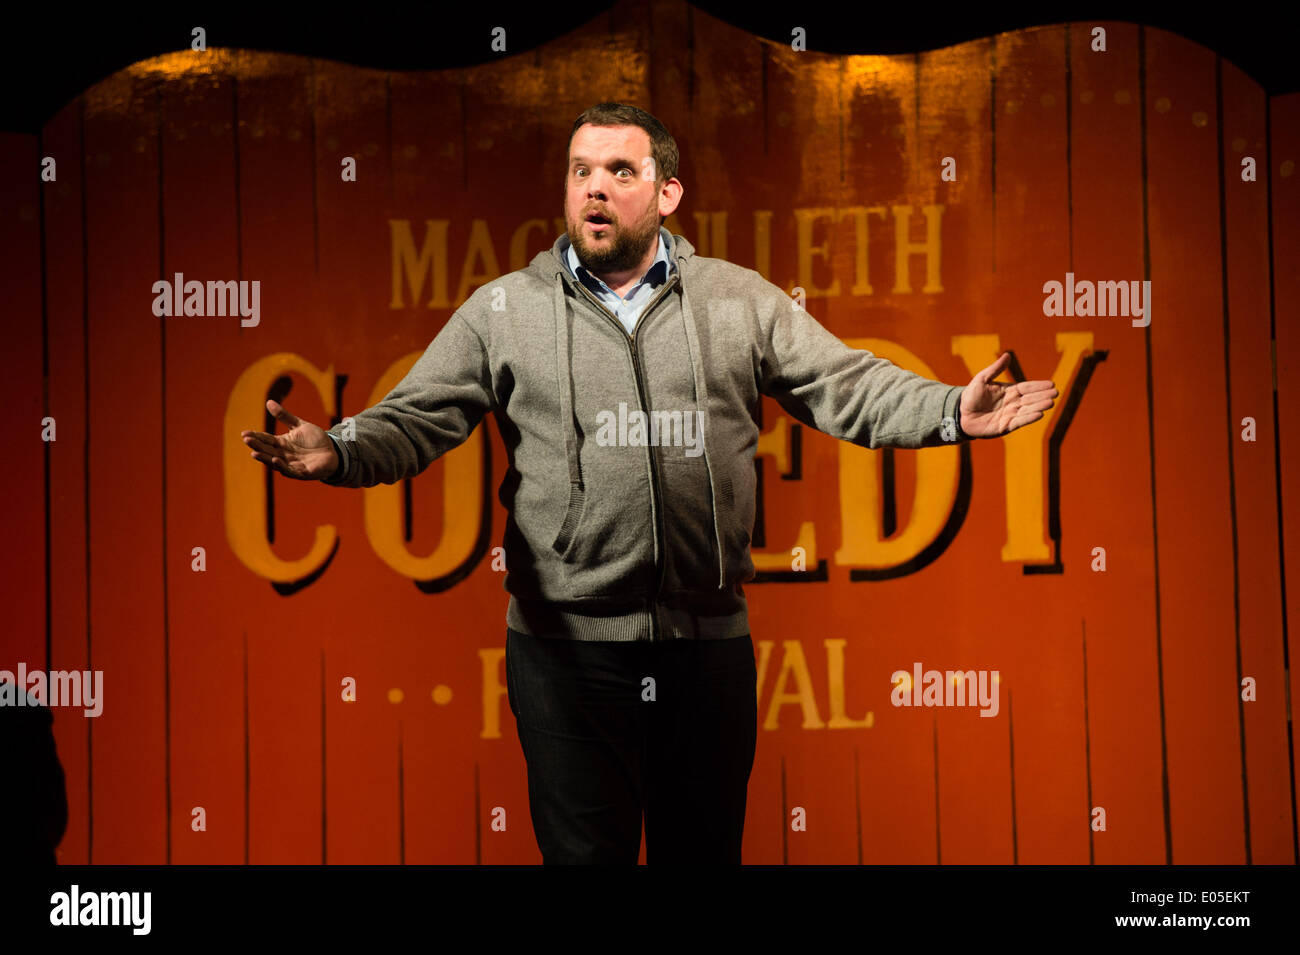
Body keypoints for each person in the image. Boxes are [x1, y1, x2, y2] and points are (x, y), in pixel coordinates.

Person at [240, 102, 1058, 864]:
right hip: (564, 660)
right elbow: (417, 418)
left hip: (706, 655)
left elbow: (846, 385)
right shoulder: (504, 311)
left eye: (620, 171)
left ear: (667, 191)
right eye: (580, 170)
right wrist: (342, 449)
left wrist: (953, 409)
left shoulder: (737, 301)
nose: (595, 186)